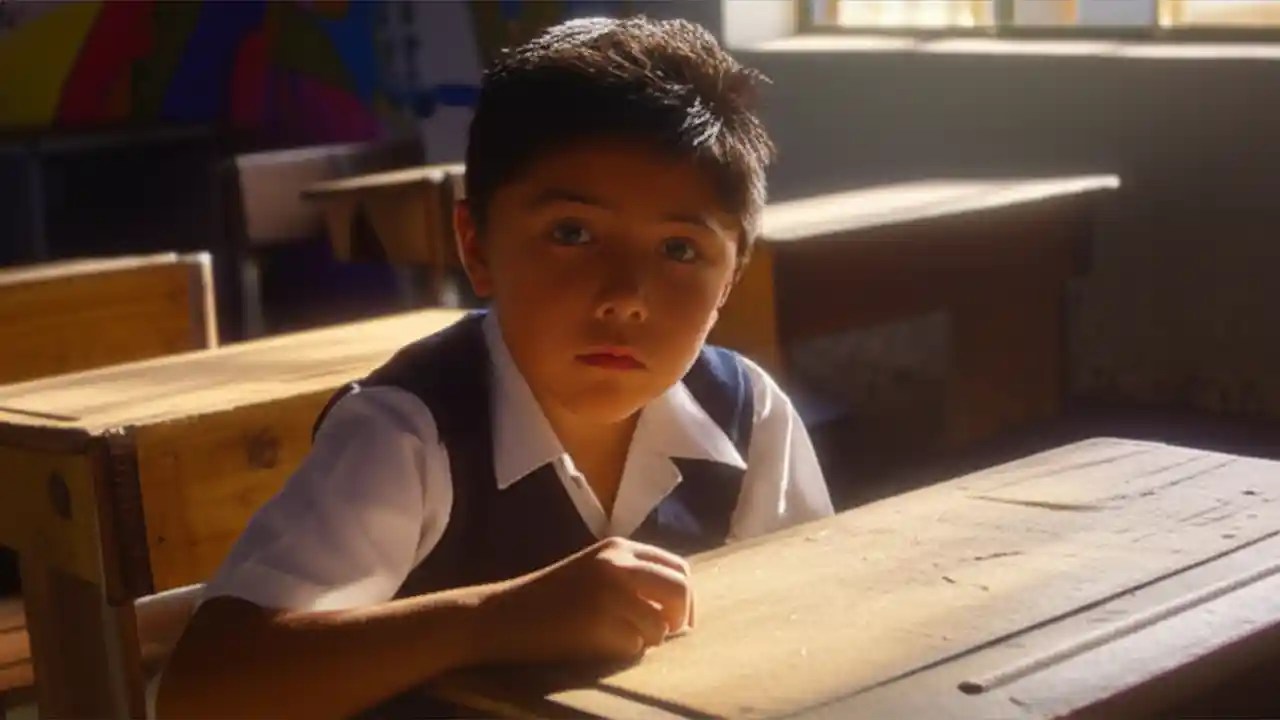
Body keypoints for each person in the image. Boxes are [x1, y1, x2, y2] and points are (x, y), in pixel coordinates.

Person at [157, 15, 833, 718]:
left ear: (728, 282)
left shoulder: (749, 415)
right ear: (475, 245)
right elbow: (202, 690)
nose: (626, 298)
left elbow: (819, 627)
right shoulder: (410, 432)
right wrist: (490, 622)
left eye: (680, 251)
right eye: (572, 234)